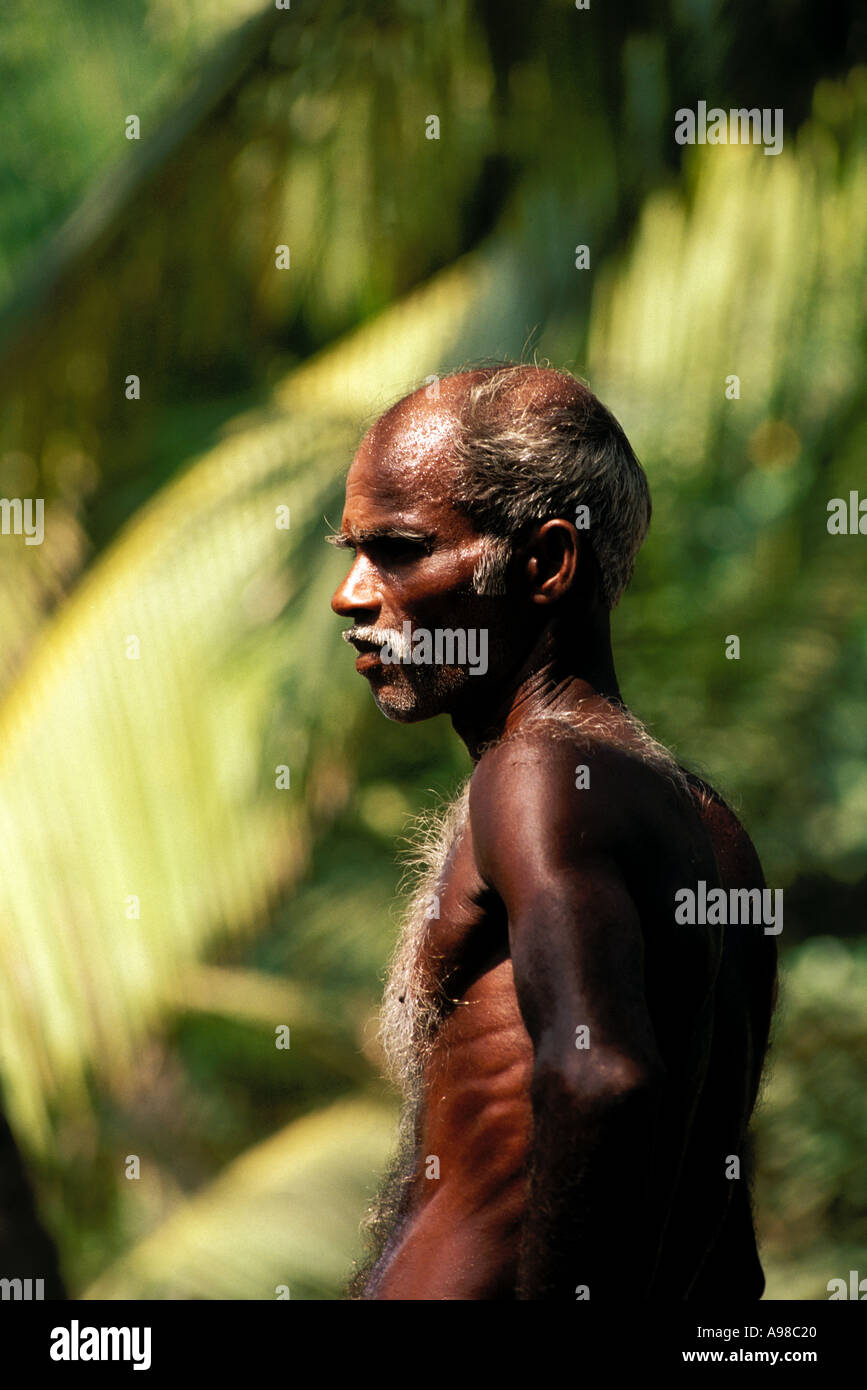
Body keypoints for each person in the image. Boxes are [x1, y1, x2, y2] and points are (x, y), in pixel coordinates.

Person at [329, 364, 777, 1300]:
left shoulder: (535, 777)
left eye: (399, 551)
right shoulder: (709, 829)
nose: (351, 595)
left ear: (544, 564)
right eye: (353, 551)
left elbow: (601, 1079)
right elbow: (719, 1238)